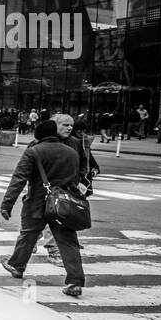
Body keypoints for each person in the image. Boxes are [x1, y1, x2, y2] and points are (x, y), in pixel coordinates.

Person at [0, 119, 86, 297]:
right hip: (63, 203)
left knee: (28, 234)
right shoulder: (71, 152)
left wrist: (7, 204)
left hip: (37, 202)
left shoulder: (33, 151)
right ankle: (75, 281)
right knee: (69, 241)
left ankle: (17, 266)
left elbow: (19, 179)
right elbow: (75, 178)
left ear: (38, 136)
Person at [41, 114, 98, 267]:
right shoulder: (43, 142)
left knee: (61, 216)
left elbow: (84, 161)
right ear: (54, 125)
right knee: (50, 216)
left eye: (70, 125)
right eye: (65, 125)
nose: (70, 128)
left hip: (69, 187)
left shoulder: (75, 143)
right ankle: (53, 251)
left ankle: (54, 246)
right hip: (47, 187)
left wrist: (80, 179)